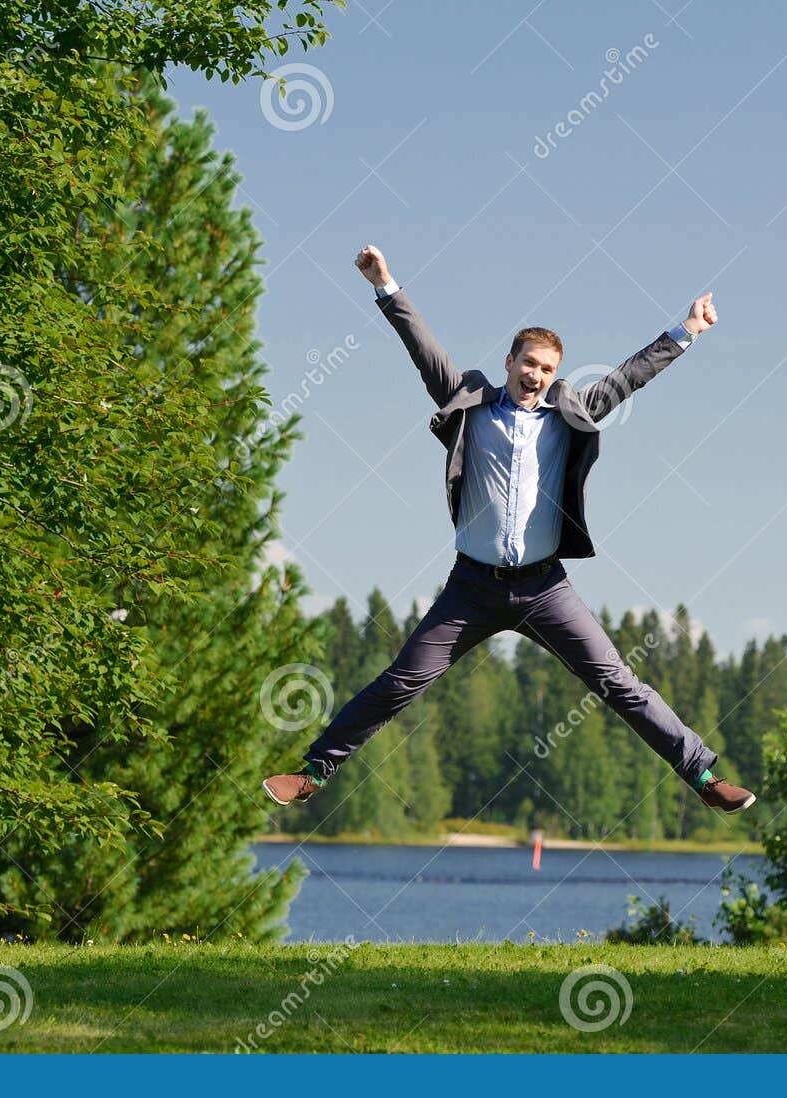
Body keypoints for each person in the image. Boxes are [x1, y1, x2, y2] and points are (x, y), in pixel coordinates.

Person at [262, 245, 755, 815]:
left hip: (547, 589)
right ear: (509, 362)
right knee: (400, 681)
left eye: (547, 369)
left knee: (620, 684)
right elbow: (423, 349)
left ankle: (703, 776)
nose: (536, 376)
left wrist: (688, 328)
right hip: (472, 589)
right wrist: (385, 284)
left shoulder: (571, 412)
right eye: (528, 364)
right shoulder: (469, 403)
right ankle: (313, 772)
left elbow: (630, 376)